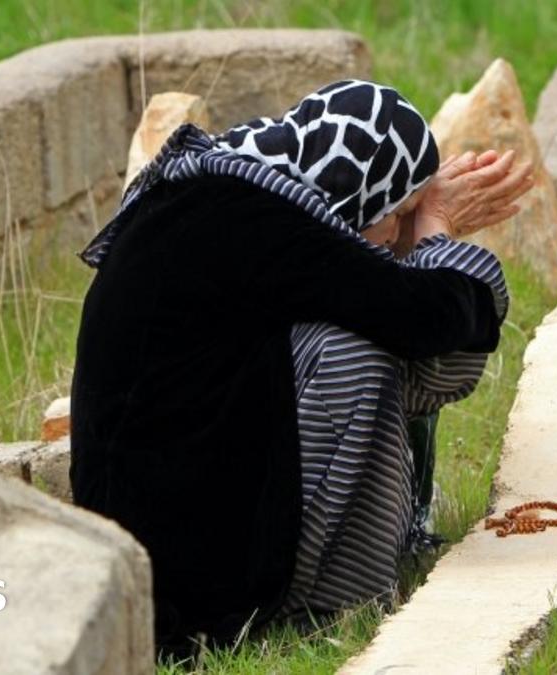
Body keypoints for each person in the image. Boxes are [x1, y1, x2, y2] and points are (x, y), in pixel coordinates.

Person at [70, 79, 532, 650]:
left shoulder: (228, 192)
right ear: (363, 190)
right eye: (400, 215)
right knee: (355, 350)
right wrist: (438, 231)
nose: (398, 240)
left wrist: (415, 226)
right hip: (193, 593)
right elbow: (425, 322)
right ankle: (324, 605)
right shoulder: (259, 221)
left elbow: (420, 320)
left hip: (153, 555)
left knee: (359, 328)